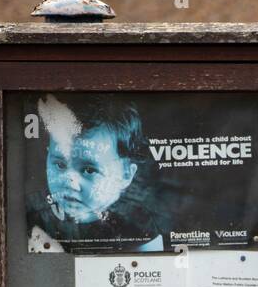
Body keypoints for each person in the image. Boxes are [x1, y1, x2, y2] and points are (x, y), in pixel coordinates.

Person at [26, 93, 166, 253]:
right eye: (59, 164)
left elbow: (152, 269)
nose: (69, 182)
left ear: (126, 174)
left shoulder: (136, 223)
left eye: (89, 170)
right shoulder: (33, 215)